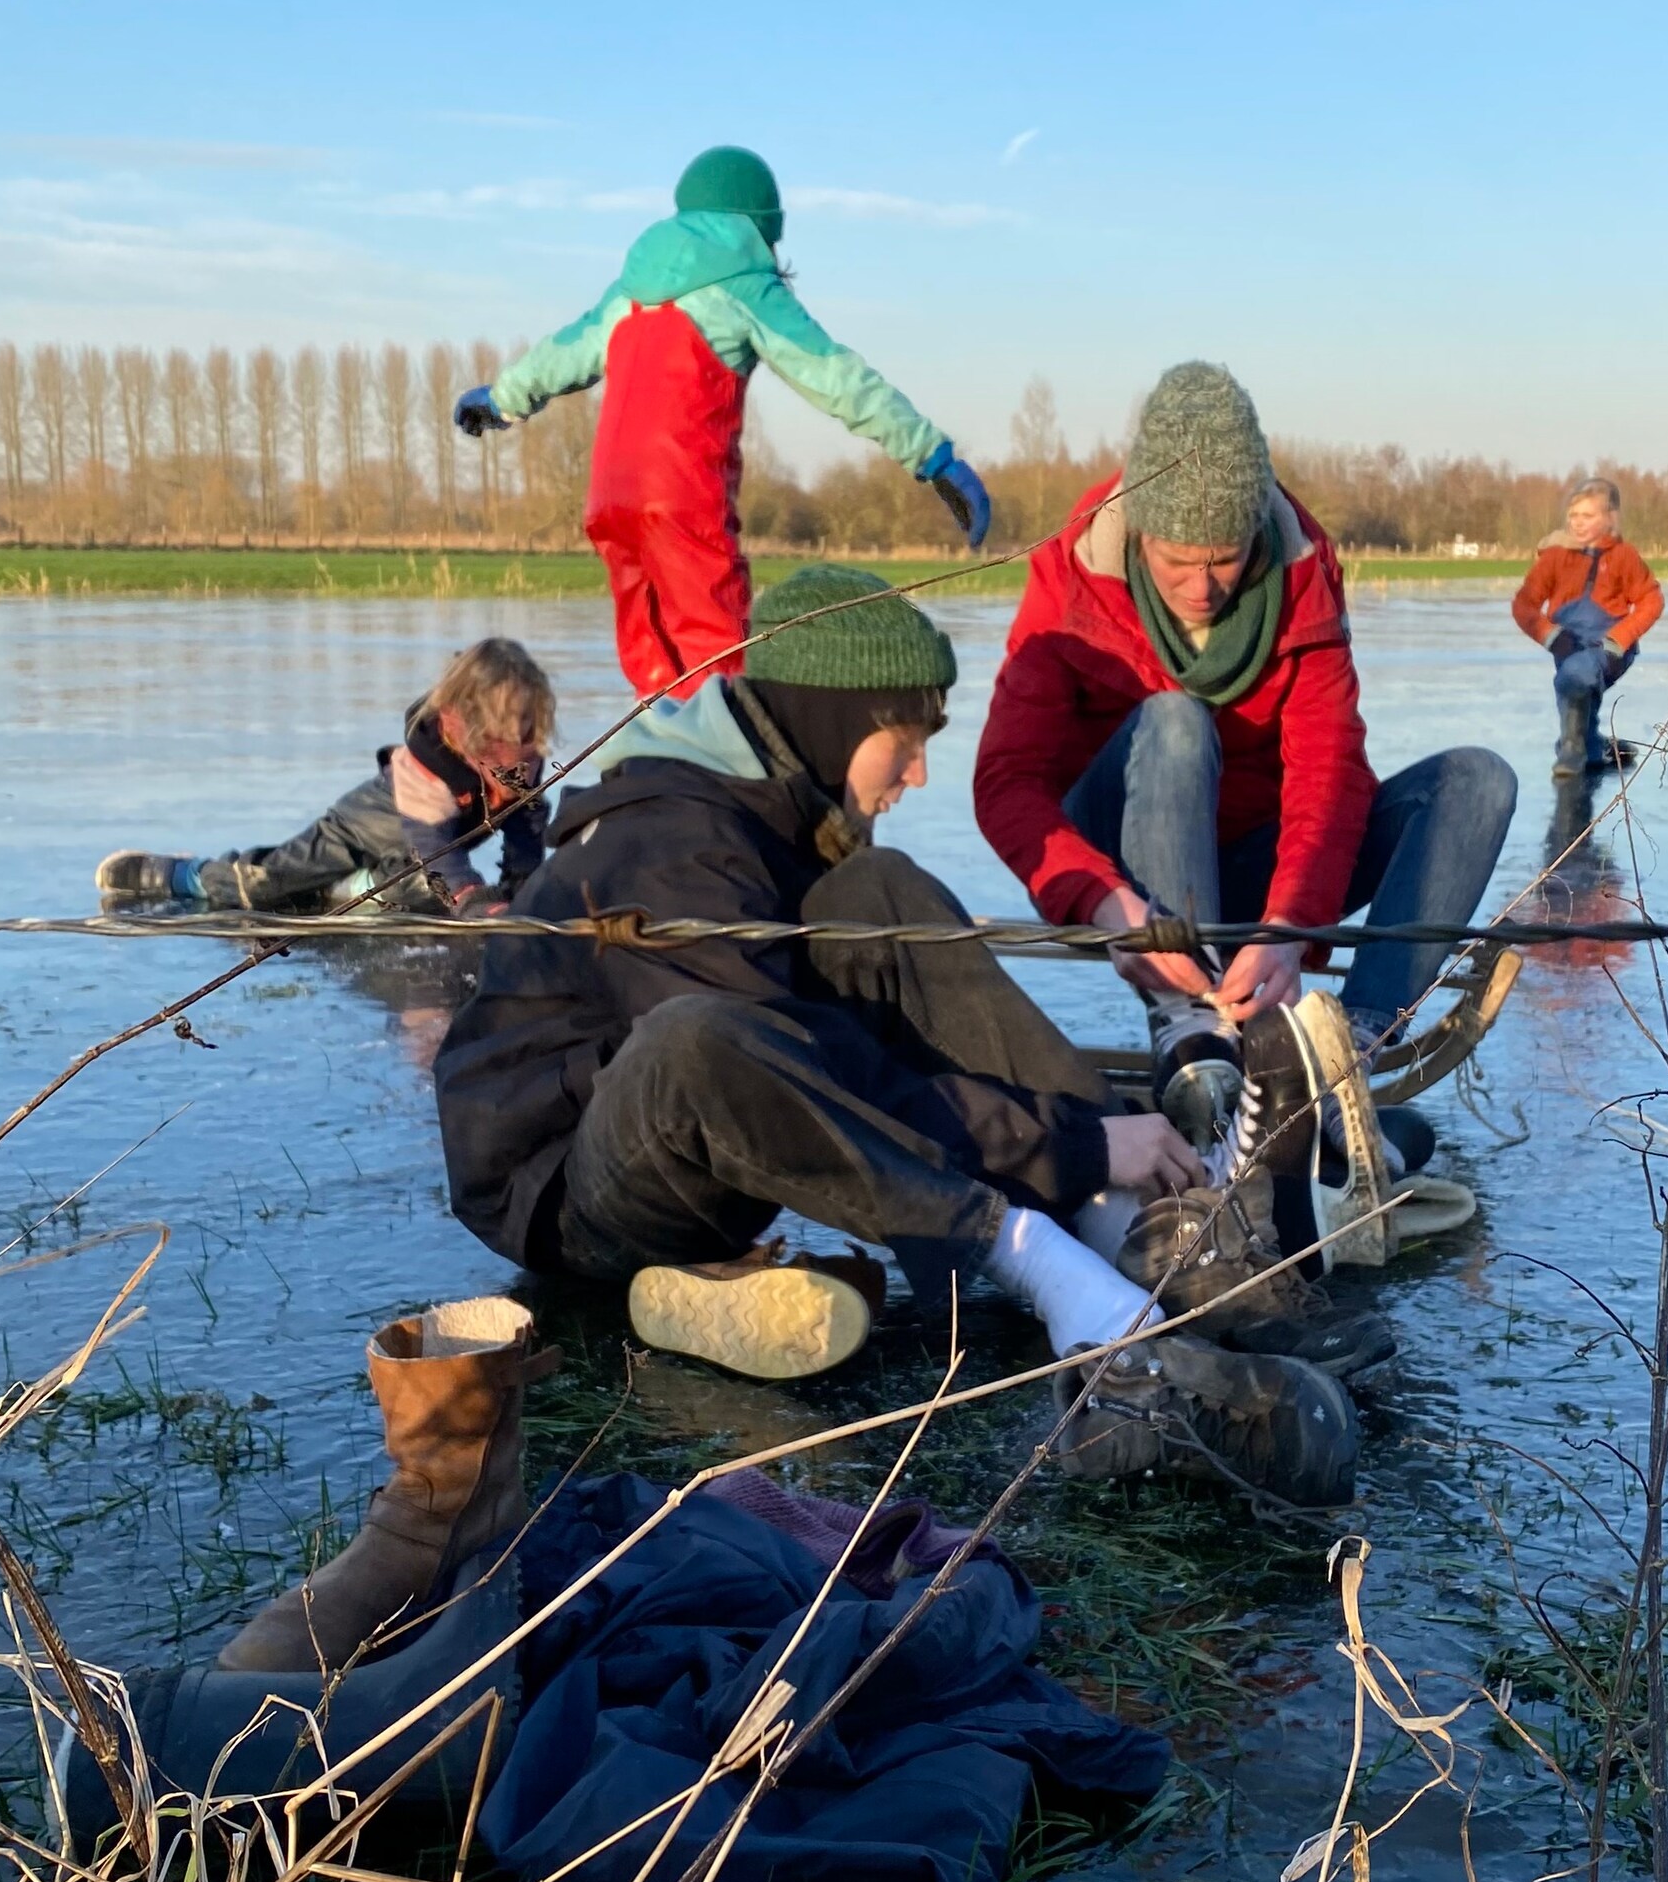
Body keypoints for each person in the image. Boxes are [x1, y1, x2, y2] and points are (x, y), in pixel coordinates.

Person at [434, 564, 1377, 1510]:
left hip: (711, 1143)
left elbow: (843, 1058)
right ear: (835, 719)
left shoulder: (777, 811)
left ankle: (1143, 1223)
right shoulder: (671, 844)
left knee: (881, 901)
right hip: (568, 1188)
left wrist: (1080, 1143)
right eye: (906, 741)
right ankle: (1086, 1312)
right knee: (703, 1038)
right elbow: (822, 1074)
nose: (919, 773)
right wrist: (1069, 1139)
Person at [972, 360, 1518, 1136]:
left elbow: (1328, 774)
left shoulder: (1303, 570)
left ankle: (1348, 1049)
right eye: (1177, 562)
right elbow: (1005, 783)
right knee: (1175, 720)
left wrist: (1292, 926)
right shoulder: (1069, 577)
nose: (1202, 587)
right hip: (1131, 871)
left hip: (1255, 867)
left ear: (1257, 528)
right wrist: (1101, 901)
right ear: (1139, 526)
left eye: (1225, 559)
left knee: (1478, 782)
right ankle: (1188, 1021)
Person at [452, 146, 991, 701]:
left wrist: (500, 399)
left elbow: (559, 356)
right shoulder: (745, 286)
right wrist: (932, 456)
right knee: (718, 659)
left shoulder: (630, 292)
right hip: (682, 497)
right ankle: (728, 774)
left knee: (652, 660)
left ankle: (652, 767)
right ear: (760, 227)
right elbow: (839, 378)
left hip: (610, 500)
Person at [95, 636, 555, 916]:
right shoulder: (426, 762)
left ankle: (347, 889)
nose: (517, 737)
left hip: (417, 858)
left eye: (525, 722)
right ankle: (179, 873)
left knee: (420, 893)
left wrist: (524, 884)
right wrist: (474, 900)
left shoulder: (519, 754)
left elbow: (526, 820)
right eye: (503, 723)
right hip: (361, 829)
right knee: (266, 885)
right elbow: (436, 849)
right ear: (467, 714)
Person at [1512, 478, 1663, 778]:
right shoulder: (1555, 557)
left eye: (1588, 516)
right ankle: (1596, 749)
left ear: (1609, 519)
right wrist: (1550, 635)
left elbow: (1651, 600)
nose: (1578, 523)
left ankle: (1571, 752)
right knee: (1579, 690)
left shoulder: (1623, 556)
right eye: (1573, 516)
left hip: (1611, 646)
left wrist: (1620, 638)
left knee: (1575, 678)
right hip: (1567, 642)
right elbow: (1524, 605)